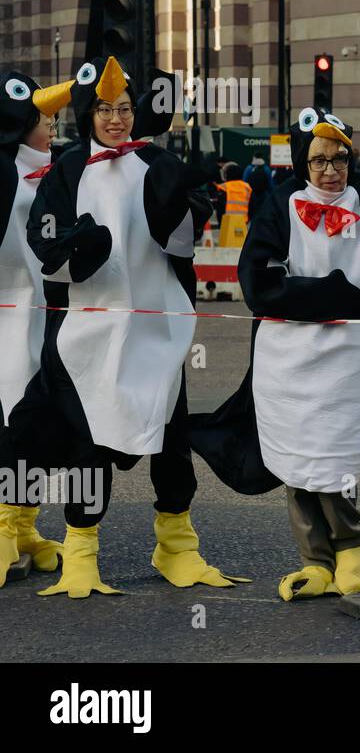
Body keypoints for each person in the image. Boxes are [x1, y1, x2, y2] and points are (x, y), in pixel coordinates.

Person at [188, 108, 360, 600]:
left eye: (340, 159)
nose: (331, 170)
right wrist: (336, 294)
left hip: (346, 357)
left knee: (332, 456)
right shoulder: (279, 204)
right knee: (295, 455)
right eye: (319, 161)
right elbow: (259, 280)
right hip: (286, 355)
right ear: (303, 162)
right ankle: (314, 559)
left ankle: (354, 549)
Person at [16, 56, 244, 597]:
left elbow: (185, 238)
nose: (115, 119)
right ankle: (80, 554)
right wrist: (78, 248)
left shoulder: (156, 163)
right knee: (86, 446)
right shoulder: (66, 169)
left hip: (156, 327)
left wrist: (182, 209)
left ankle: (177, 547)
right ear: (86, 114)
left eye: (122, 108)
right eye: (103, 110)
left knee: (171, 437)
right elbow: (45, 246)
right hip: (87, 334)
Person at [0, 71, 69, 585]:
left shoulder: (58, 172)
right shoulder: (4, 172)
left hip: (49, 314)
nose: (53, 128)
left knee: (37, 421)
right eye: (45, 120)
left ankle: (23, 525)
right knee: (9, 419)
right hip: (8, 315)